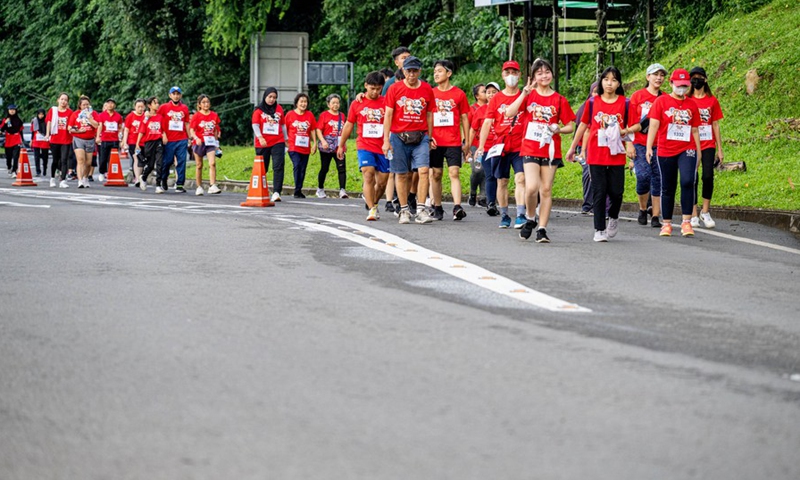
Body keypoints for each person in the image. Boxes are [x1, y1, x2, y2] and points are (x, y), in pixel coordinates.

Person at [505, 58, 575, 243]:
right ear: (533, 76)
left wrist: (557, 128)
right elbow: (509, 113)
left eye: (547, 72)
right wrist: (523, 93)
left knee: (545, 189)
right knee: (531, 187)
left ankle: (542, 229)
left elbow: (570, 126)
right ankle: (530, 217)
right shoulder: (528, 95)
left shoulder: (559, 99)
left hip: (550, 149)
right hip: (530, 146)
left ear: (552, 73)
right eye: (539, 73)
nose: (544, 76)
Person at [566, 67, 636, 242]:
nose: (609, 83)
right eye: (606, 79)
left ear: (618, 83)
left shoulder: (625, 103)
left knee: (616, 192)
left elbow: (635, 126)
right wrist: (572, 148)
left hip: (616, 154)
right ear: (601, 82)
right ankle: (599, 229)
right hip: (596, 154)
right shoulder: (592, 102)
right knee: (599, 191)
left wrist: (628, 140)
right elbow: (583, 126)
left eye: (613, 80)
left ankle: (613, 217)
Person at [646, 68, 702, 237]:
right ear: (671, 83)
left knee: (687, 181)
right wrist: (649, 147)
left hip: (687, 148)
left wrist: (698, 151)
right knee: (668, 186)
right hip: (665, 149)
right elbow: (653, 126)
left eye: (685, 86)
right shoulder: (661, 102)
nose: (681, 89)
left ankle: (686, 222)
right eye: (678, 85)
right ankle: (667, 223)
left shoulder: (692, 104)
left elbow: (695, 131)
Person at [382, 55, 436, 224]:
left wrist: (430, 136)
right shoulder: (394, 89)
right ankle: (404, 209)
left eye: (414, 71)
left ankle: (420, 209)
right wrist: (386, 140)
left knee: (423, 171)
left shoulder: (427, 89)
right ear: (403, 71)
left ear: (419, 71)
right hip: (398, 136)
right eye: (408, 71)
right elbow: (388, 114)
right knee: (402, 174)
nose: (411, 75)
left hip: (420, 136)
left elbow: (429, 115)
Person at [476, 60, 527, 229]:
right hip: (500, 145)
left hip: (521, 144)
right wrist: (482, 146)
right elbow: (487, 122)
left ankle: (520, 214)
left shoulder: (525, 95)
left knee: (521, 178)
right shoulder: (496, 98)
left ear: (519, 75)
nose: (511, 76)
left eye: (514, 72)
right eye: (507, 73)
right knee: (502, 181)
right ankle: (504, 214)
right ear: (503, 75)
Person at [337, 71, 389, 221]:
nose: (375, 92)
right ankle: (372, 209)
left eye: (378, 88)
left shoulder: (386, 102)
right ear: (365, 86)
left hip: (383, 146)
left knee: (382, 182)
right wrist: (341, 144)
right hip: (365, 145)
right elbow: (348, 124)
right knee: (368, 174)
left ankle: (374, 202)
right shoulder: (357, 103)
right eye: (372, 88)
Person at [430, 59, 470, 221]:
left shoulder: (459, 94)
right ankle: (437, 206)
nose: (436, 74)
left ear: (449, 73)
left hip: (453, 140)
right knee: (436, 174)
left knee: (454, 172)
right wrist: (428, 136)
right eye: (434, 72)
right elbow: (427, 116)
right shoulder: (431, 93)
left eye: (439, 71)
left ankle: (457, 206)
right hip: (435, 141)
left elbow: (465, 118)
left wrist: (467, 140)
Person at [630, 63, 667, 228]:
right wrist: (629, 144)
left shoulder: (665, 98)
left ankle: (656, 216)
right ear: (648, 77)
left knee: (658, 178)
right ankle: (643, 208)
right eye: (655, 74)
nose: (659, 78)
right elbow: (629, 122)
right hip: (639, 143)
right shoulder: (637, 96)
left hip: (660, 144)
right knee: (643, 176)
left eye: (662, 75)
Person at [689, 66, 723, 229]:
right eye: (693, 77)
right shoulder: (687, 100)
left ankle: (705, 211)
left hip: (708, 143)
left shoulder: (712, 100)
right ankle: (693, 213)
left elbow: (715, 124)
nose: (696, 80)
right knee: (692, 178)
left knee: (708, 176)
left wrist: (720, 149)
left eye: (699, 77)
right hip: (691, 143)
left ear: (705, 79)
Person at [469, 82, 500, 213]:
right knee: (488, 174)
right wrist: (468, 148)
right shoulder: (480, 110)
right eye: (488, 92)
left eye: (494, 92)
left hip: (501, 147)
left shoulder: (505, 108)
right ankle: (491, 203)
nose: (491, 95)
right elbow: (473, 129)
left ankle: (494, 201)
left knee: (499, 176)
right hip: (485, 147)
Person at [251, 87, 286, 202]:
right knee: (263, 168)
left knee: (278, 166)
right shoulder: (258, 110)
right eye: (270, 97)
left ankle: (276, 192)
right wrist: (260, 137)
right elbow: (255, 125)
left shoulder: (279, 108)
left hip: (278, 141)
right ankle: (259, 189)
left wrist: (286, 139)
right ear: (265, 97)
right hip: (263, 143)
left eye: (274, 97)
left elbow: (283, 125)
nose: (272, 99)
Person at [157, 86, 190, 193]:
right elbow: (158, 121)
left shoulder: (184, 108)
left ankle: (180, 184)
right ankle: (163, 178)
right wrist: (163, 134)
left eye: (177, 94)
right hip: (169, 139)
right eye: (174, 94)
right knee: (167, 161)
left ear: (180, 95)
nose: (176, 96)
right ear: (170, 95)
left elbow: (186, 123)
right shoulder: (164, 107)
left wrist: (189, 137)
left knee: (181, 161)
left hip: (182, 138)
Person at [572, 81, 598, 215]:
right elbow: (580, 129)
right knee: (588, 173)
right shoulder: (585, 108)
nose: (597, 94)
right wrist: (578, 150)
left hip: (600, 145)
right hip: (584, 146)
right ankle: (587, 204)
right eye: (594, 91)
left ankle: (597, 204)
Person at [188, 94, 222, 195]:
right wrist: (196, 138)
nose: (206, 104)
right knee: (199, 165)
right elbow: (191, 130)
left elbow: (215, 130)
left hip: (210, 142)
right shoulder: (196, 116)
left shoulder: (214, 115)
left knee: (212, 163)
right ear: (199, 105)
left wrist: (217, 144)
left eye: (207, 102)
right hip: (199, 142)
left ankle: (212, 185)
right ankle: (199, 186)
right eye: (203, 102)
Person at [284, 93, 317, 198]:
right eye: (301, 101)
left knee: (303, 168)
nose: (303, 104)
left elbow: (312, 129)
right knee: (297, 165)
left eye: (305, 102)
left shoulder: (309, 115)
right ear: (296, 103)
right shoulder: (290, 114)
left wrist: (315, 143)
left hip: (305, 146)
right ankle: (297, 189)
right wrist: (286, 142)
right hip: (293, 146)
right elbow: (284, 129)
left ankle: (298, 190)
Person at [315, 94, 348, 198]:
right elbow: (318, 129)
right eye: (333, 103)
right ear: (328, 104)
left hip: (339, 145)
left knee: (341, 167)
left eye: (337, 103)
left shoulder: (342, 116)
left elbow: (345, 130)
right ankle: (320, 188)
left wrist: (344, 144)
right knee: (324, 168)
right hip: (327, 146)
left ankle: (342, 190)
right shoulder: (324, 115)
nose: (335, 105)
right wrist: (323, 141)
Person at [67, 95, 100, 188]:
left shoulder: (93, 114)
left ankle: (85, 178)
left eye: (87, 105)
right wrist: (78, 130)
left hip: (90, 139)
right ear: (80, 106)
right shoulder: (75, 114)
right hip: (78, 139)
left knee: (88, 163)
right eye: (83, 105)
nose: (85, 107)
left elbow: (97, 125)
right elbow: (69, 128)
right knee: (81, 160)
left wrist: (89, 118)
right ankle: (80, 180)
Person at [136, 96, 166, 192]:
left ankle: (158, 185)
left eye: (158, 102)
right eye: (155, 103)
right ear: (149, 105)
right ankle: (143, 177)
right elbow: (141, 131)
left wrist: (164, 136)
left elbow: (163, 129)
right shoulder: (146, 118)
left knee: (159, 163)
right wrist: (137, 143)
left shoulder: (160, 117)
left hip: (158, 141)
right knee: (150, 165)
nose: (157, 104)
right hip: (149, 143)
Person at [45, 93, 73, 188]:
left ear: (67, 102)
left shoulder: (70, 112)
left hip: (66, 139)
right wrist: (47, 134)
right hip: (55, 139)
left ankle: (63, 180)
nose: (63, 101)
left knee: (64, 160)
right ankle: (52, 178)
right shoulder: (53, 110)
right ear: (58, 100)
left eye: (65, 100)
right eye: (62, 99)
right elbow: (49, 122)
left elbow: (71, 125)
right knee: (55, 160)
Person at [467, 83, 487, 207]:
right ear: (477, 96)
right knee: (477, 170)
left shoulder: (492, 107)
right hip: (475, 144)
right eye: (484, 91)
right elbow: (468, 127)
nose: (487, 93)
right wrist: (467, 145)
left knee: (486, 170)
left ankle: (483, 197)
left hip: (488, 145)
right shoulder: (472, 109)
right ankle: (473, 191)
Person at [95, 98, 123, 184]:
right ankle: (101, 172)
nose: (110, 105)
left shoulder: (118, 116)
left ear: (114, 105)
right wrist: (98, 137)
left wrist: (120, 136)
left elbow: (120, 126)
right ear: (106, 105)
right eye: (108, 103)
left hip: (114, 139)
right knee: (103, 157)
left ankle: (111, 173)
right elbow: (100, 126)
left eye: (112, 103)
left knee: (112, 158)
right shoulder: (102, 115)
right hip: (105, 139)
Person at [122, 99, 146, 185]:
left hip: (144, 141)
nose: (140, 109)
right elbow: (126, 130)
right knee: (136, 158)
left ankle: (140, 176)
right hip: (133, 141)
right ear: (135, 107)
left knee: (142, 160)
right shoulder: (130, 116)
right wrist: (125, 142)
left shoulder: (146, 116)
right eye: (138, 107)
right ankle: (137, 179)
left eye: (142, 107)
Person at [1, 105, 24, 177]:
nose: (12, 111)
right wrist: (5, 123)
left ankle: (14, 170)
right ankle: (9, 167)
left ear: (15, 110)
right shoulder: (5, 119)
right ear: (8, 111)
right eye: (10, 109)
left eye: (13, 109)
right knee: (9, 156)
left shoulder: (19, 120)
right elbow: (1, 129)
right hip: (8, 138)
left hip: (16, 138)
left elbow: (21, 131)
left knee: (16, 156)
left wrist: (22, 140)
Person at [30, 109, 50, 177]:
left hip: (44, 139)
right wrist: (31, 140)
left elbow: (49, 130)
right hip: (36, 140)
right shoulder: (34, 121)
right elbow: (32, 131)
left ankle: (44, 169)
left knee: (45, 157)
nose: (40, 116)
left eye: (42, 114)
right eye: (39, 114)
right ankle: (38, 171)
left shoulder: (47, 121)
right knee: (36, 156)